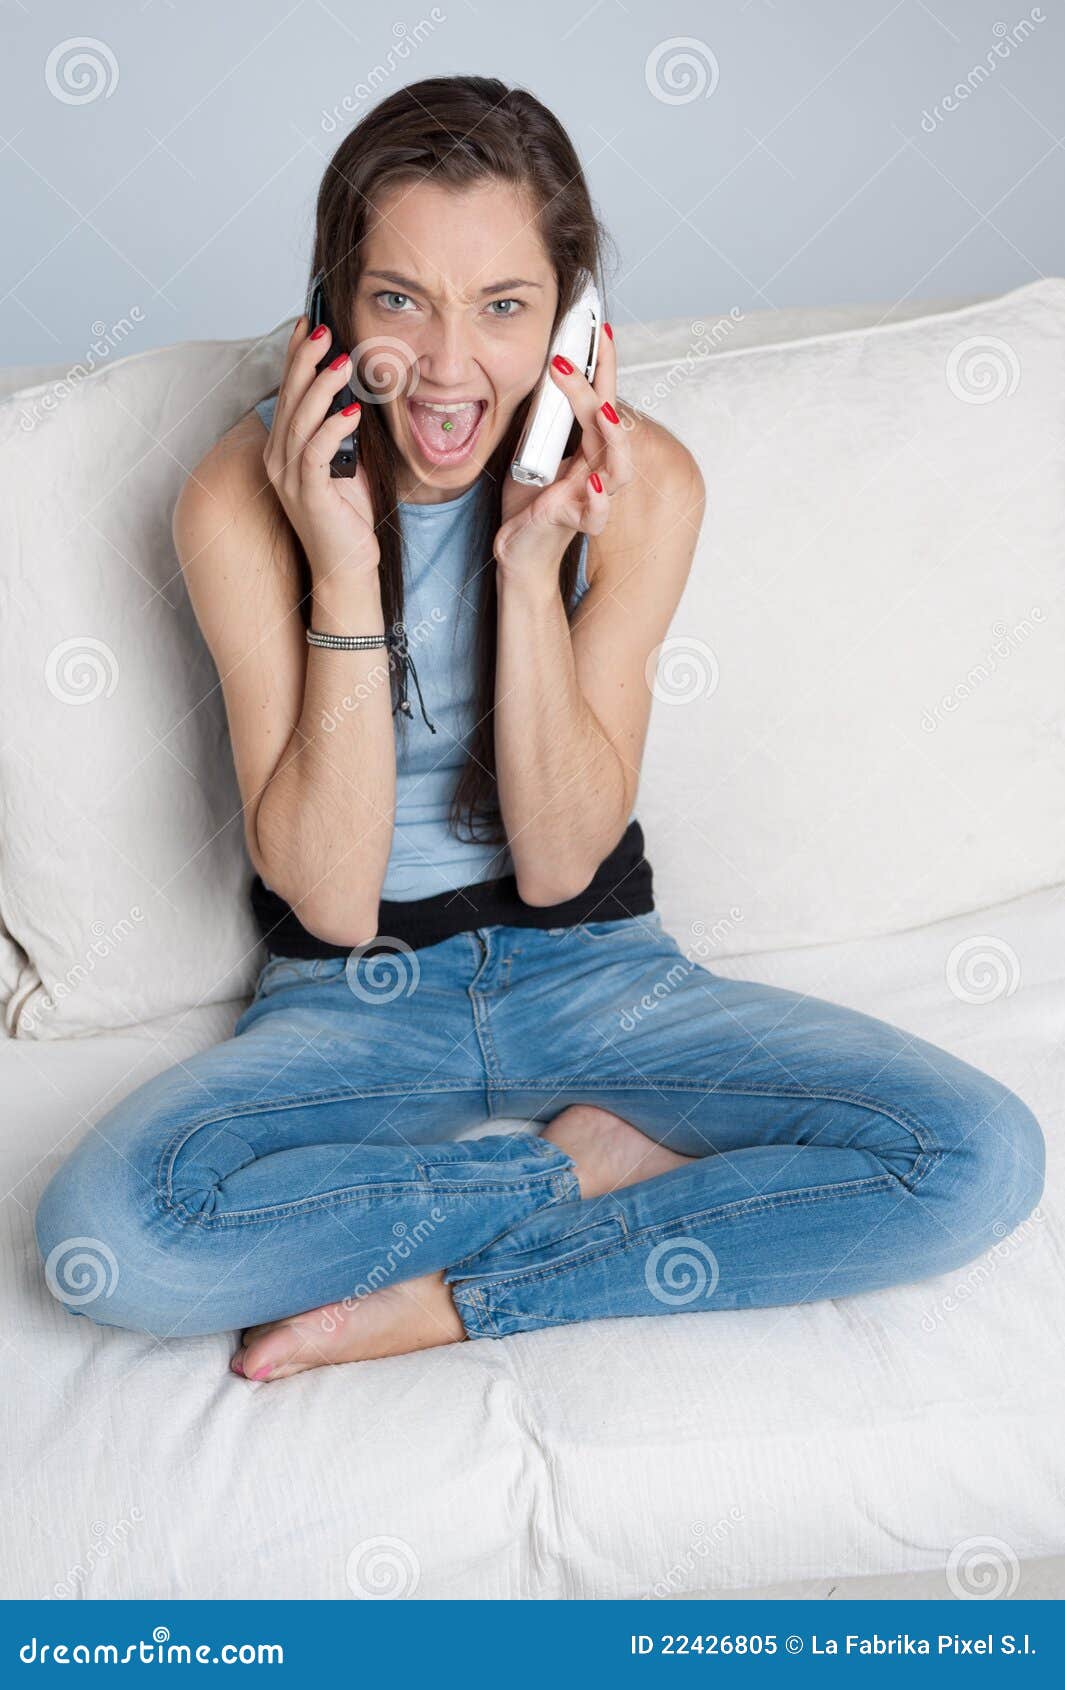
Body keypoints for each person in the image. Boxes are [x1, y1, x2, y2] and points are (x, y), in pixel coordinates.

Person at [35, 75, 1044, 1384]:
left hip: (599, 978)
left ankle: (460, 1300)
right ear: (332, 307)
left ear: (571, 319)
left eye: (503, 308)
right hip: (352, 999)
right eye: (400, 300)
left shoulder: (644, 485)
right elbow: (334, 901)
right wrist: (341, 571)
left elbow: (563, 863)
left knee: (977, 1157)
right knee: (108, 1244)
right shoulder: (242, 492)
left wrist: (526, 566)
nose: (448, 367)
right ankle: (580, 1166)